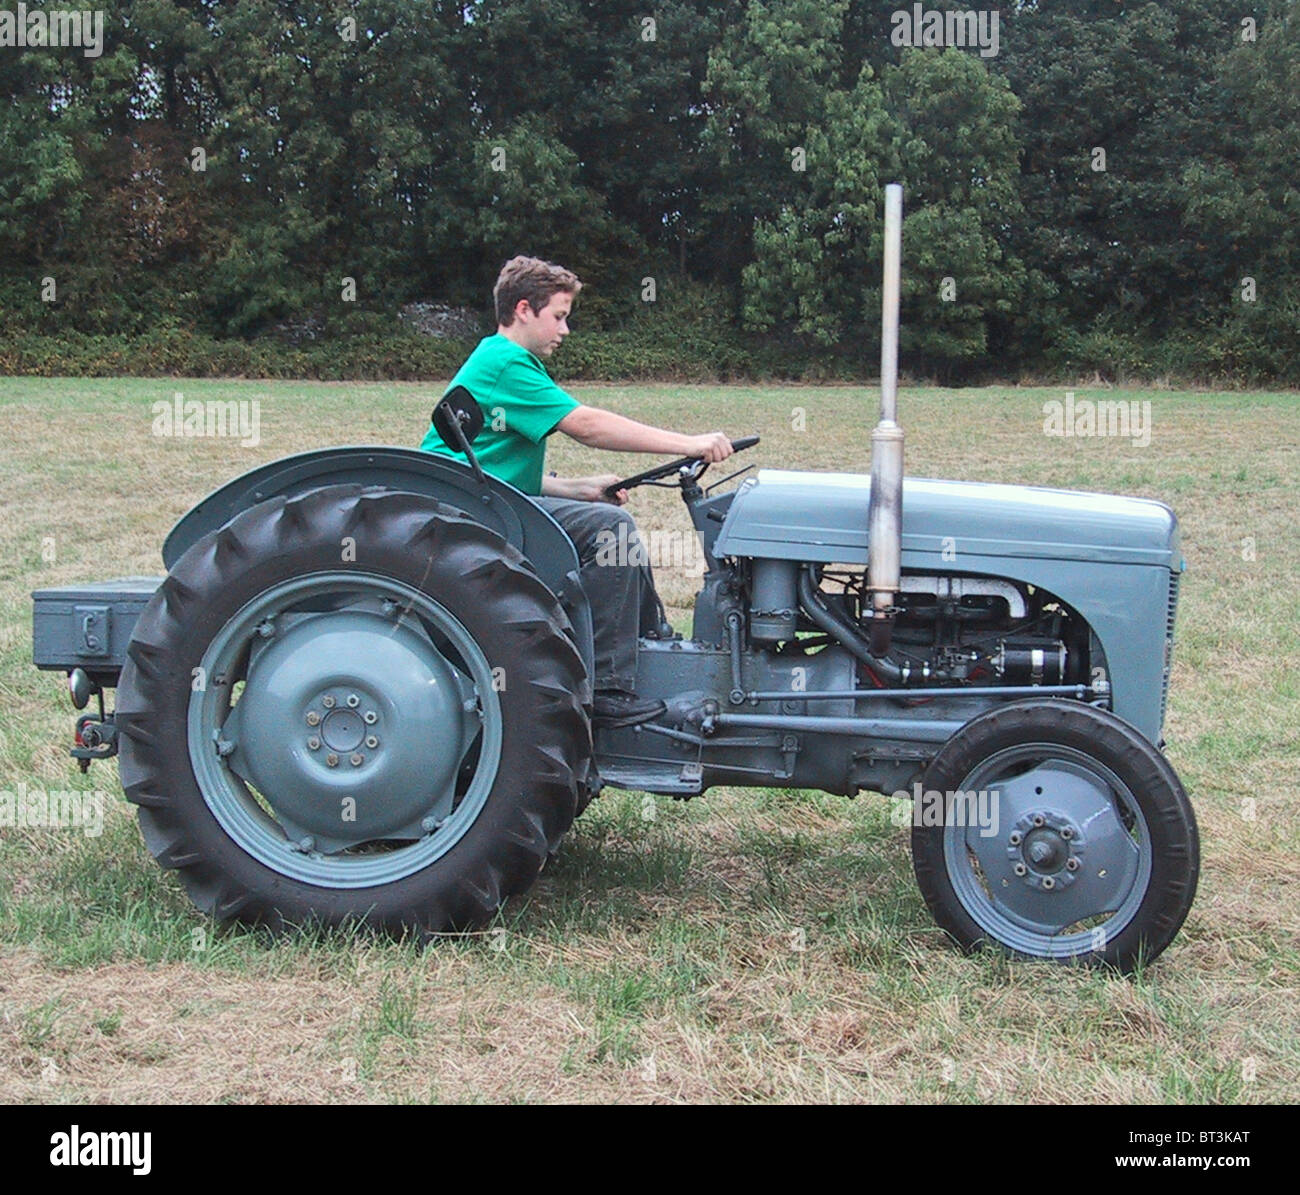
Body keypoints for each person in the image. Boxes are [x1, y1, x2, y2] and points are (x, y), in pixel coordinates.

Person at [420, 255, 733, 727]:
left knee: (605, 520)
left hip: (481, 497)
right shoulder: (507, 362)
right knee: (612, 531)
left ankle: (656, 644)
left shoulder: (498, 358)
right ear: (524, 309)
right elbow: (585, 426)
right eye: (560, 316)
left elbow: (490, 464)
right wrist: (690, 442)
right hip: (468, 514)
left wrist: (576, 488)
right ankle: (607, 687)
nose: (565, 330)